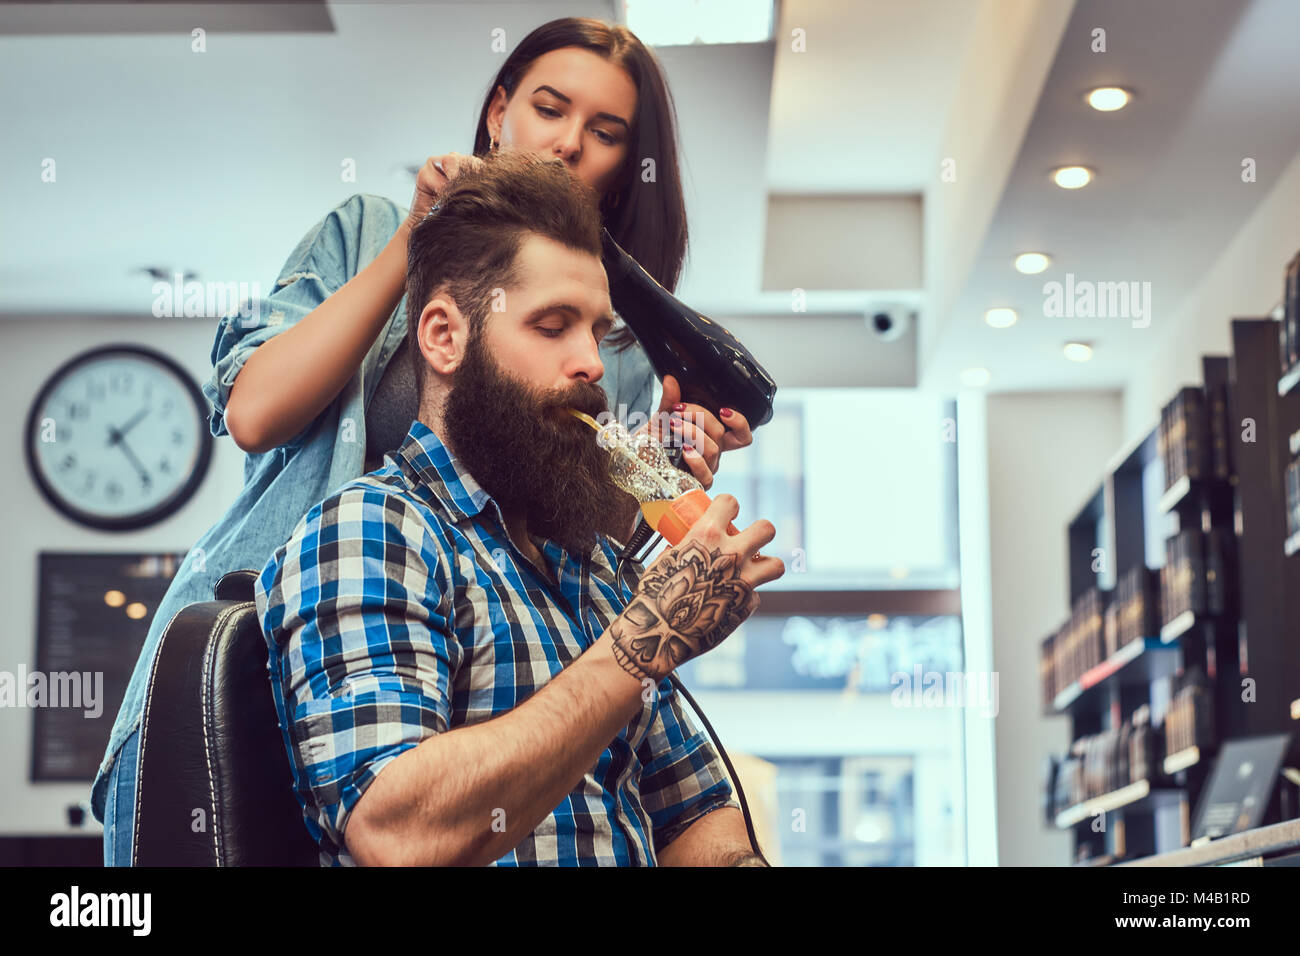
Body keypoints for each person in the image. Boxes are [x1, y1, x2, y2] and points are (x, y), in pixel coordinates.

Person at [92, 16, 754, 866]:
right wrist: (421, 236)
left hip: (465, 695)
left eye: (606, 132)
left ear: (630, 167)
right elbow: (256, 413)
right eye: (551, 109)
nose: (568, 145)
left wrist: (673, 468)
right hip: (290, 645)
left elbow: (576, 556)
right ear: (498, 112)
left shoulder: (615, 355)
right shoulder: (370, 231)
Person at [259, 148, 785, 866]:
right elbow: (399, 833)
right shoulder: (372, 531)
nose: (593, 364)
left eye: (596, 332)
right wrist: (641, 644)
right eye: (552, 325)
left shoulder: (593, 567)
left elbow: (694, 815)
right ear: (445, 336)